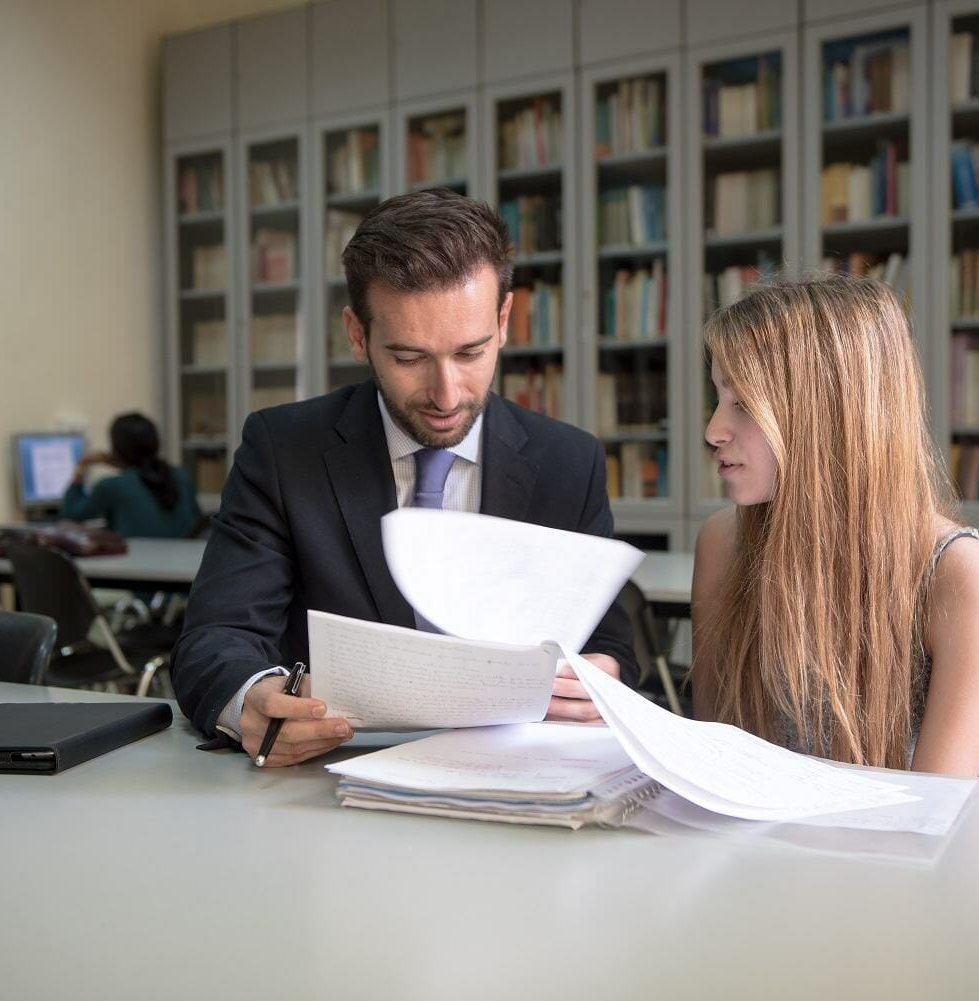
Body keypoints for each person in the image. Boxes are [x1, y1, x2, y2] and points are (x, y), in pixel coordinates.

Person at [172, 188, 635, 766]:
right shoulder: (283, 450)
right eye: (410, 357)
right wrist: (252, 700)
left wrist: (601, 675)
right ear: (358, 334)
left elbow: (609, 640)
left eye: (471, 353)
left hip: (517, 779)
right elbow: (216, 637)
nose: (447, 394)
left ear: (504, 319)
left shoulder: (570, 461)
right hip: (336, 781)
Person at [691, 273, 979, 776]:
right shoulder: (722, 542)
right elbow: (715, 760)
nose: (713, 431)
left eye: (745, 405)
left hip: (885, 851)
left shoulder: (963, 577)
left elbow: (932, 812)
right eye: (717, 399)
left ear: (829, 414)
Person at [62, 413, 199, 539]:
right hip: (185, 563)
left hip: (133, 564)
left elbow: (71, 516)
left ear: (116, 449)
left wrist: (81, 466)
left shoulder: (111, 486)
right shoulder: (180, 475)